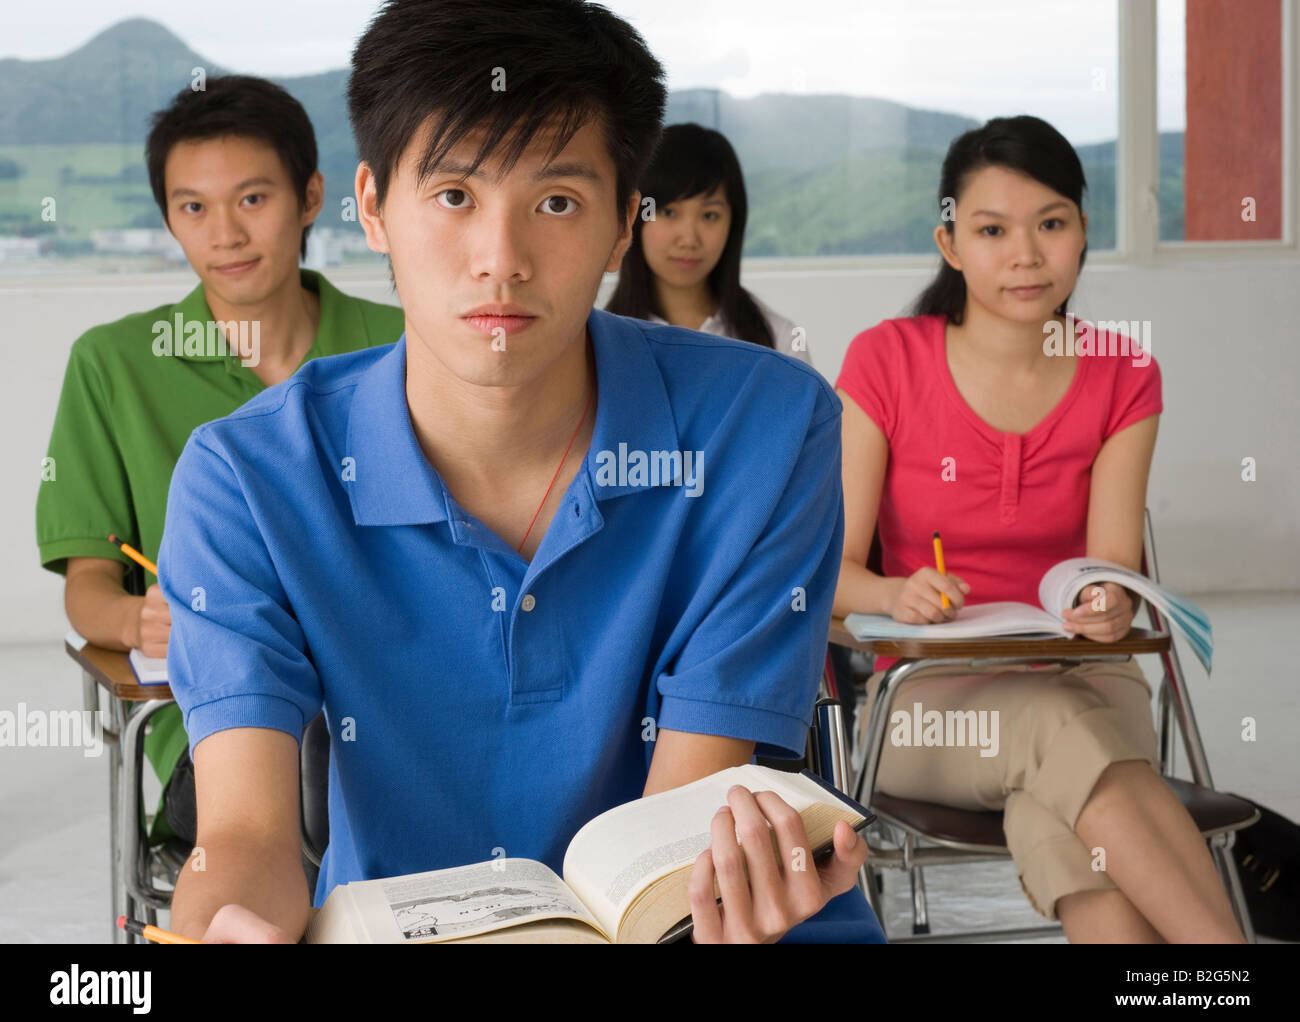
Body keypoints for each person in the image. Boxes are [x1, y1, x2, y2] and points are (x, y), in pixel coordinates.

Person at [159, 0, 879, 944]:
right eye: (455, 196)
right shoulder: (246, 478)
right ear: (374, 207)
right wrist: (229, 927)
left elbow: (681, 841)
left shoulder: (767, 428)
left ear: (624, 223)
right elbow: (244, 833)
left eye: (556, 202)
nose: (501, 262)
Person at [833, 114, 1243, 943]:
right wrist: (893, 592)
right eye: (992, 230)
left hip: (1091, 686)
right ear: (950, 243)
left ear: (1083, 232)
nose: (1025, 254)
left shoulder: (1125, 374)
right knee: (1059, 740)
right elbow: (829, 574)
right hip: (928, 708)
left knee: (1051, 813)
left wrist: (1105, 602)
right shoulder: (886, 362)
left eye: (1051, 224)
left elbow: (1113, 569)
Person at [35, 75, 405, 852]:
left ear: (310, 198)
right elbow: (89, 589)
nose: (225, 235)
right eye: (192, 207)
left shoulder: (404, 340)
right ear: (168, 218)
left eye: (252, 199)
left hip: (404, 694)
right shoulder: (113, 364)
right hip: (216, 731)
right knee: (333, 802)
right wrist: (140, 617)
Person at [606, 123, 807, 361]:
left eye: (710, 215)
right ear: (636, 215)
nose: (689, 239)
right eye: (669, 212)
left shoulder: (779, 341)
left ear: (733, 223)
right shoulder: (595, 342)